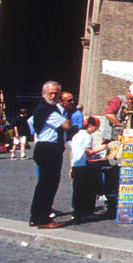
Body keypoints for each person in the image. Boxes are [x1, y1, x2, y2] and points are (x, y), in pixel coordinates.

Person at [30, 81, 73, 228]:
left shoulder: (47, 109)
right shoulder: (47, 109)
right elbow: (66, 125)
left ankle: (36, 216)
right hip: (48, 148)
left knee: (45, 184)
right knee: (48, 185)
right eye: (51, 93)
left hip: (48, 147)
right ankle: (43, 219)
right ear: (43, 94)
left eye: (56, 93)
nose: (54, 96)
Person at [68, 116, 106, 219]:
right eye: (96, 127)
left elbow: (72, 152)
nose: (96, 130)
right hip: (84, 165)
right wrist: (102, 148)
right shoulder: (87, 136)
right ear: (90, 126)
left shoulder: (76, 135)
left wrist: (71, 166)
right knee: (88, 190)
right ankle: (86, 212)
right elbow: (87, 151)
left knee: (78, 190)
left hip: (76, 165)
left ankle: (77, 212)